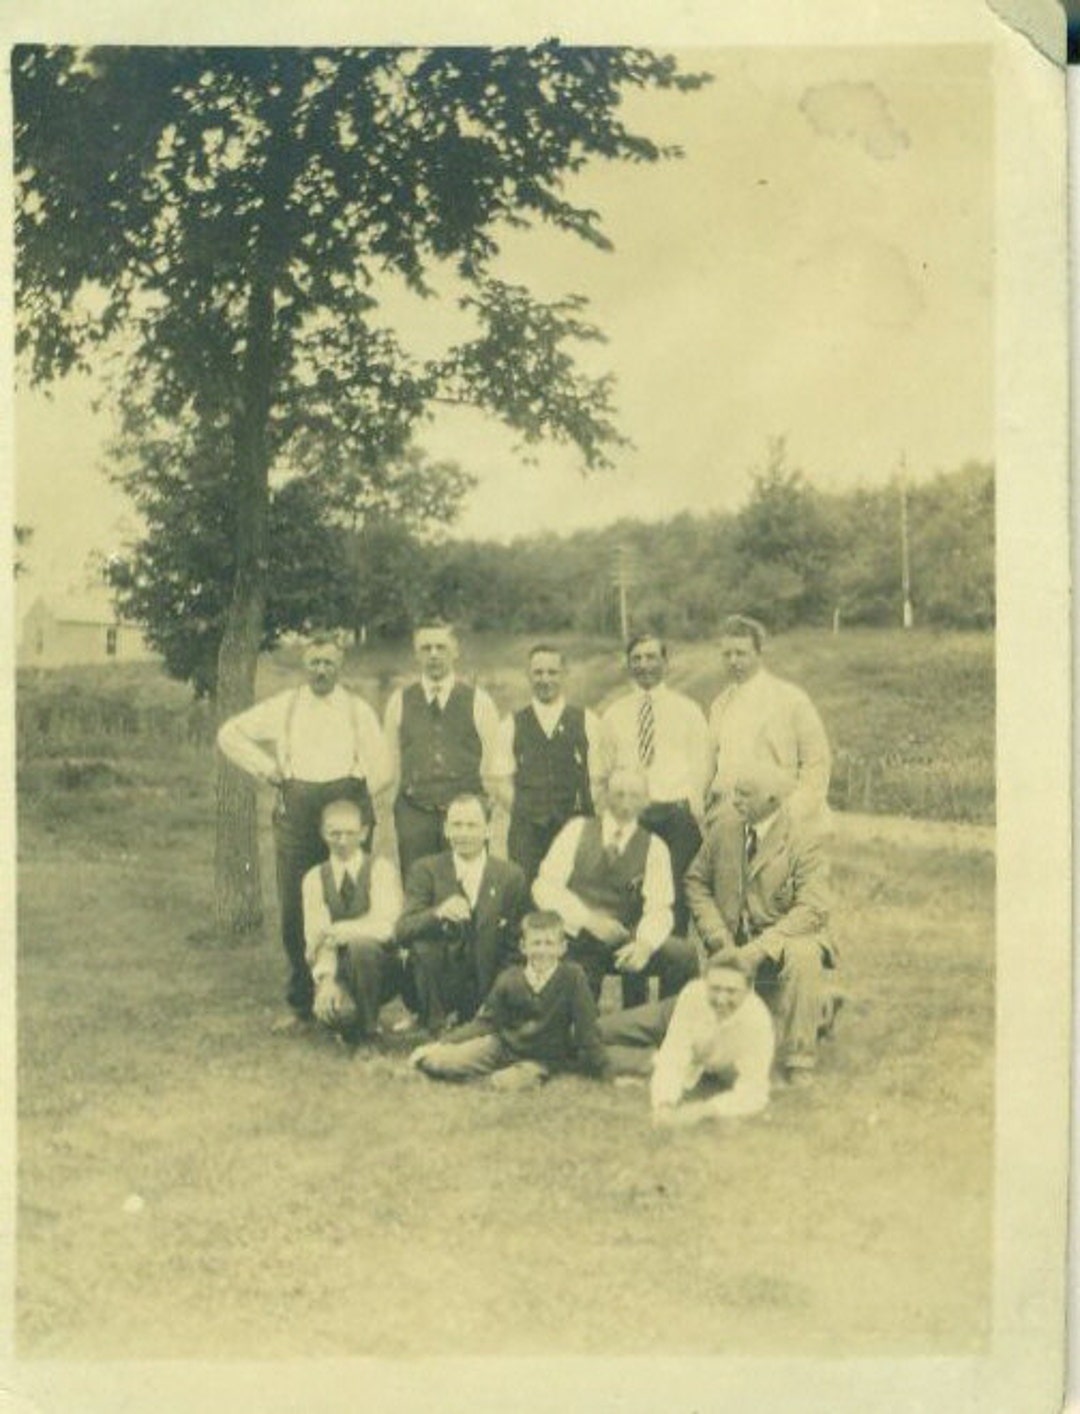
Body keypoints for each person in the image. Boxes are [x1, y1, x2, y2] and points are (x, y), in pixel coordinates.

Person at [216, 632, 391, 1031]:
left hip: (345, 804)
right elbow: (229, 734)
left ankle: (353, 996)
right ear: (303, 665)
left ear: (340, 665)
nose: (321, 670)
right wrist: (268, 770)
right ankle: (301, 1003)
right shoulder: (287, 706)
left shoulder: (357, 710)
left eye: (329, 662)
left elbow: (382, 767)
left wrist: (357, 798)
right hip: (298, 808)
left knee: (353, 900)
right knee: (296, 908)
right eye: (314, 662)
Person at [684, 758, 839, 1086]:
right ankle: (817, 1007)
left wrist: (758, 951)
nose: (735, 800)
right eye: (734, 792)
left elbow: (813, 910)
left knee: (804, 955)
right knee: (719, 1058)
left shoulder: (804, 839)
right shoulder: (724, 828)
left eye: (744, 794)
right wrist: (716, 934)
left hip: (784, 938)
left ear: (772, 801)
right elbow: (695, 881)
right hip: (731, 939)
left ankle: (800, 1057)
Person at [532, 766, 698, 1006]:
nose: (625, 803)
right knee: (579, 1018)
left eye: (634, 796)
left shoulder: (654, 847)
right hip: (578, 940)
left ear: (646, 801)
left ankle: (669, 1025)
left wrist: (645, 944)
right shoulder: (577, 830)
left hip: (624, 941)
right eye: (619, 794)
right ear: (605, 796)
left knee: (682, 955)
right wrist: (589, 920)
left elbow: (660, 907)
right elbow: (544, 886)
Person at [598, 633, 713, 941]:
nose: (644, 665)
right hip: (632, 817)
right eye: (636, 658)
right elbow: (603, 772)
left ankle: (672, 988)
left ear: (665, 662)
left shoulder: (688, 711)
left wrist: (694, 811)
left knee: (673, 904)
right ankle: (634, 985)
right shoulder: (613, 714)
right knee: (632, 903)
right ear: (628, 665)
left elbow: (702, 766)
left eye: (651, 657)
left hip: (676, 817)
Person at [409, 910, 607, 1089]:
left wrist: (606, 1072)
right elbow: (485, 1022)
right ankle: (462, 1069)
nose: (542, 951)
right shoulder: (510, 978)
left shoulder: (573, 977)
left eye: (549, 943)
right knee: (437, 1061)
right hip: (503, 1048)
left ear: (562, 948)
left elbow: (587, 1029)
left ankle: (484, 1082)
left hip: (541, 1058)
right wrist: (443, 1043)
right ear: (523, 947)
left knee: (509, 1082)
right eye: (536, 943)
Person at [394, 793, 530, 1033]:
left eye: (472, 825)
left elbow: (516, 947)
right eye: (456, 825)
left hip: (488, 980)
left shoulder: (511, 876)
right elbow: (402, 929)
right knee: (424, 945)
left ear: (488, 830)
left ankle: (484, 1017)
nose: (463, 833)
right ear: (446, 829)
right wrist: (437, 913)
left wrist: (497, 998)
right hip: (440, 982)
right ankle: (435, 1022)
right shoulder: (425, 869)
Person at [382, 620, 501, 883]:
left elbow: (495, 761)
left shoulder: (479, 701)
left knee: (468, 884)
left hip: (465, 814)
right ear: (416, 654)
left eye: (441, 647)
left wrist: (483, 805)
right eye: (426, 648)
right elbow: (390, 762)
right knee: (418, 885)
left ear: (455, 651)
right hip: (415, 813)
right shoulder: (399, 701)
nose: (433, 654)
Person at [601, 951, 775, 1127]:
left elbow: (755, 1090)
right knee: (593, 1032)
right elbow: (674, 1056)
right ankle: (648, 1060)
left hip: (699, 1057)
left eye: (731, 991)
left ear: (748, 990)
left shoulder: (758, 1020)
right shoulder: (694, 994)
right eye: (715, 988)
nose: (721, 999)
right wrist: (664, 1105)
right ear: (704, 984)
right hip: (670, 1015)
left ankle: (648, 1060)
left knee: (593, 1052)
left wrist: (704, 1109)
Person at [491, 643, 604, 887]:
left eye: (552, 672)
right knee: (527, 898)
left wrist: (579, 817)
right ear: (528, 675)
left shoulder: (588, 721)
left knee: (575, 892)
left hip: (574, 829)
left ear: (564, 674)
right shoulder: (511, 724)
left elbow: (597, 780)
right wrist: (527, 812)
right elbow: (501, 783)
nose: (545, 679)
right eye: (538, 673)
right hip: (527, 834)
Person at [707, 615, 831, 825]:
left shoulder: (791, 699)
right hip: (729, 817)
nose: (733, 661)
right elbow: (712, 762)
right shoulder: (719, 705)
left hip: (779, 815)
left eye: (741, 653)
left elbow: (817, 762)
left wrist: (797, 809)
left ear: (759, 652)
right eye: (727, 654)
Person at [302, 798, 403, 1045]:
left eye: (350, 833)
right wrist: (327, 981)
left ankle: (369, 1033)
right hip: (340, 968)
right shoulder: (315, 877)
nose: (343, 841)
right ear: (323, 834)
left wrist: (343, 929)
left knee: (361, 946)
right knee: (338, 1014)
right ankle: (349, 1021)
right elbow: (316, 937)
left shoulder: (380, 869)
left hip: (383, 966)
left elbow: (387, 927)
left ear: (364, 833)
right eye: (334, 833)